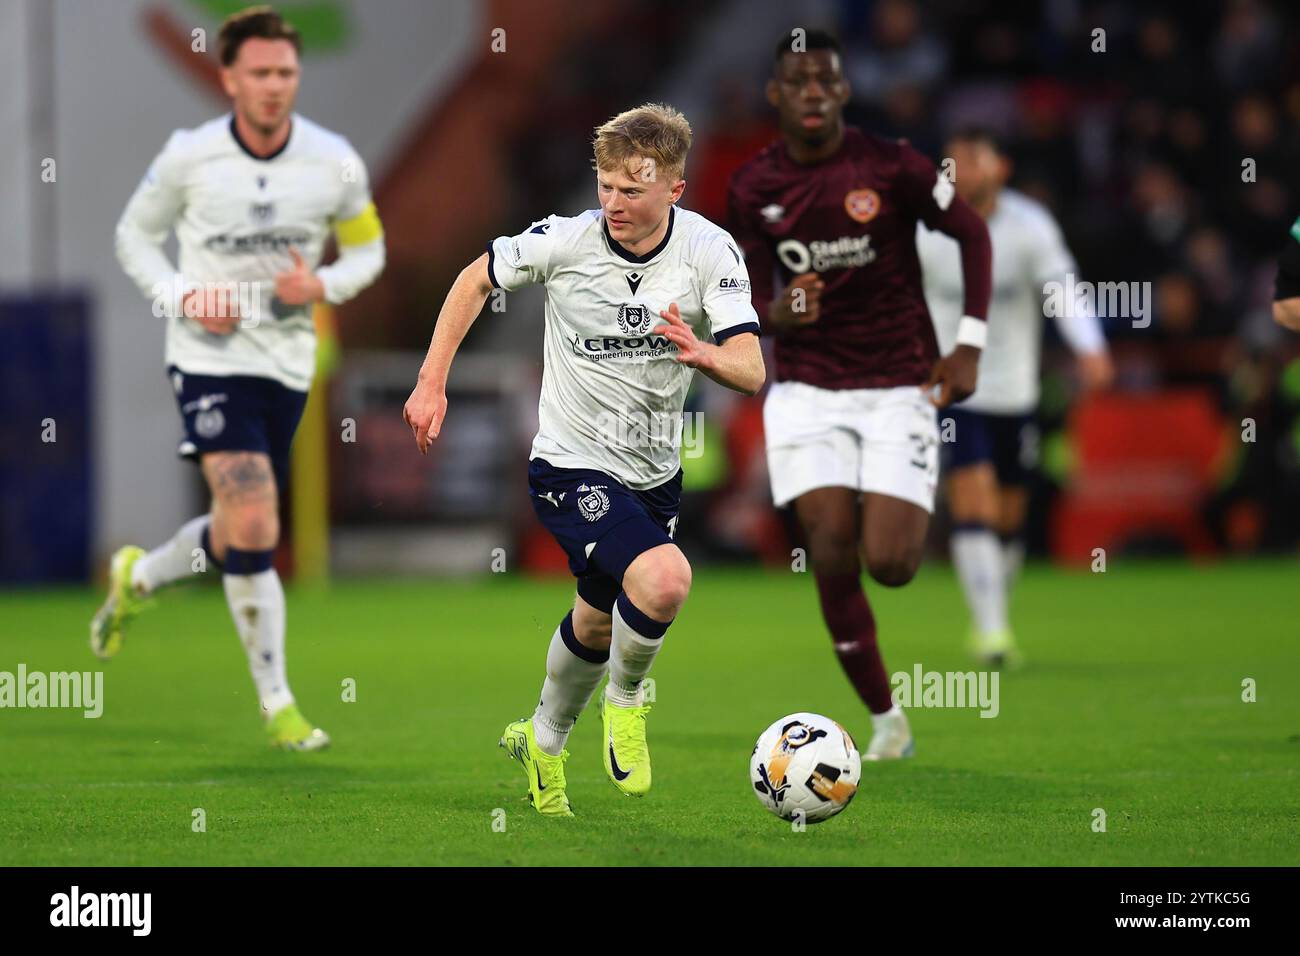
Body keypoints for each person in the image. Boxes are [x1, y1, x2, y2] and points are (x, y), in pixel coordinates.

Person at [403, 104, 764, 816]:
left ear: (674, 190)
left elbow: (751, 370)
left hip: (653, 475)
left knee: (598, 623)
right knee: (664, 580)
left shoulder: (710, 252)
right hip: (570, 464)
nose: (613, 204)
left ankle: (542, 740)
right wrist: (430, 379)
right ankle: (626, 706)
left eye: (632, 189)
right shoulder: (564, 241)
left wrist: (704, 355)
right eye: (605, 186)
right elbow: (477, 278)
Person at [95, 5, 385, 750]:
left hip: (285, 362)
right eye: (258, 72)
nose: (273, 86)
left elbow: (367, 251)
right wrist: (182, 295)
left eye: (285, 72)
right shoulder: (190, 157)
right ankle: (278, 706)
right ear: (228, 77)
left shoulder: (332, 161)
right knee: (256, 518)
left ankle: (141, 579)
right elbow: (134, 235)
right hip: (206, 357)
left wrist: (321, 285)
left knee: (237, 529)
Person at [727, 30, 991, 759]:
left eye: (825, 79)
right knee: (832, 548)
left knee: (893, 565)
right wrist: (779, 317)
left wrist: (968, 342)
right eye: (797, 81)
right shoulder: (753, 188)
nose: (813, 91)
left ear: (843, 90)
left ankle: (890, 490)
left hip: (898, 386)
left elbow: (972, 234)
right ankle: (886, 721)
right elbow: (743, 301)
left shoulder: (894, 165)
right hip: (807, 393)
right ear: (777, 95)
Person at [916, 128, 1112, 665]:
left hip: (1016, 391)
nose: (961, 171)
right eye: (953, 161)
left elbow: (1062, 289)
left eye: (973, 160)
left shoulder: (1030, 226)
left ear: (1000, 167)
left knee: (1009, 515)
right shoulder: (925, 224)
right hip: (952, 388)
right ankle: (992, 631)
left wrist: (1090, 347)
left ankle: (993, 614)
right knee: (972, 496)